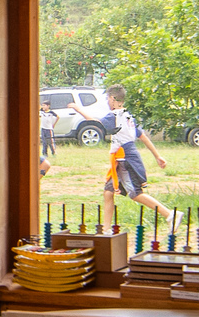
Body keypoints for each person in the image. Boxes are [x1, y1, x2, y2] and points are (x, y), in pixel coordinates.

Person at [70, 85, 170, 228]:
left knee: (135, 193)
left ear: (112, 98)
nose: (107, 102)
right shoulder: (128, 116)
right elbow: (143, 137)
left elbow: (96, 123)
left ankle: (169, 214)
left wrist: (78, 109)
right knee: (108, 192)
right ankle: (106, 229)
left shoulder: (114, 116)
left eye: (107, 99)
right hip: (124, 157)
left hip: (125, 158)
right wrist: (157, 156)